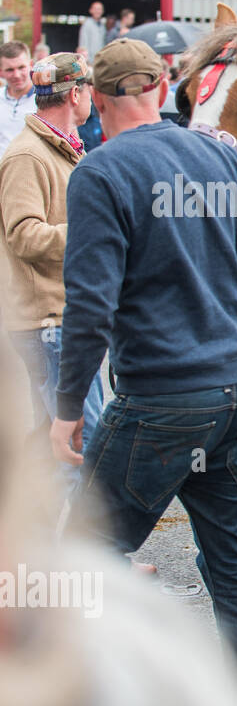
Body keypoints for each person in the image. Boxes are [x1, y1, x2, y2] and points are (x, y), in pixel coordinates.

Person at [49, 37, 237, 706]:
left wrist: (67, 407)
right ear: (163, 88)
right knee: (230, 548)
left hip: (162, 395)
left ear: (94, 101)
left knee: (81, 555)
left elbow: (90, 305)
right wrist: (212, 244)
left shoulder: (100, 173)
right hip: (233, 391)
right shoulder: (220, 156)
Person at [0, 52, 105, 484]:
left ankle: (44, 545)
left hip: (60, 320)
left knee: (54, 441)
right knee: (81, 442)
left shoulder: (59, 146)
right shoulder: (28, 156)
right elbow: (24, 236)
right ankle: (90, 551)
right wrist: (96, 231)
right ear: (76, 93)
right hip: (50, 322)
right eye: (91, 89)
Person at [0, 42, 37, 159]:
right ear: (1, 72)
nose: (16, 75)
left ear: (31, 65)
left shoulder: (46, 100)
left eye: (21, 67)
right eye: (10, 70)